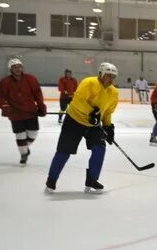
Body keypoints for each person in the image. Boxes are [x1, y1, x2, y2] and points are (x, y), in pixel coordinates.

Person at [45, 62, 119, 193]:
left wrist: (108, 126)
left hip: (93, 124)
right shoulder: (89, 82)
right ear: (101, 74)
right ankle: (51, 180)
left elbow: (107, 112)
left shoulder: (113, 92)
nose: (111, 79)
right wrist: (91, 112)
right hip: (74, 120)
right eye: (108, 76)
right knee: (64, 151)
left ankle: (92, 179)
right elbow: (78, 100)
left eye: (113, 77)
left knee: (100, 149)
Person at [0, 58, 47, 165]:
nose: (17, 69)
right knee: (20, 136)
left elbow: (38, 94)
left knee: (32, 134)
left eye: (19, 66)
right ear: (11, 69)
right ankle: (23, 154)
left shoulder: (31, 79)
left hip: (30, 112)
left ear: (22, 67)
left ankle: (24, 147)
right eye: (14, 67)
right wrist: (6, 107)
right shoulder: (5, 82)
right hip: (15, 115)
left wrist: (41, 107)